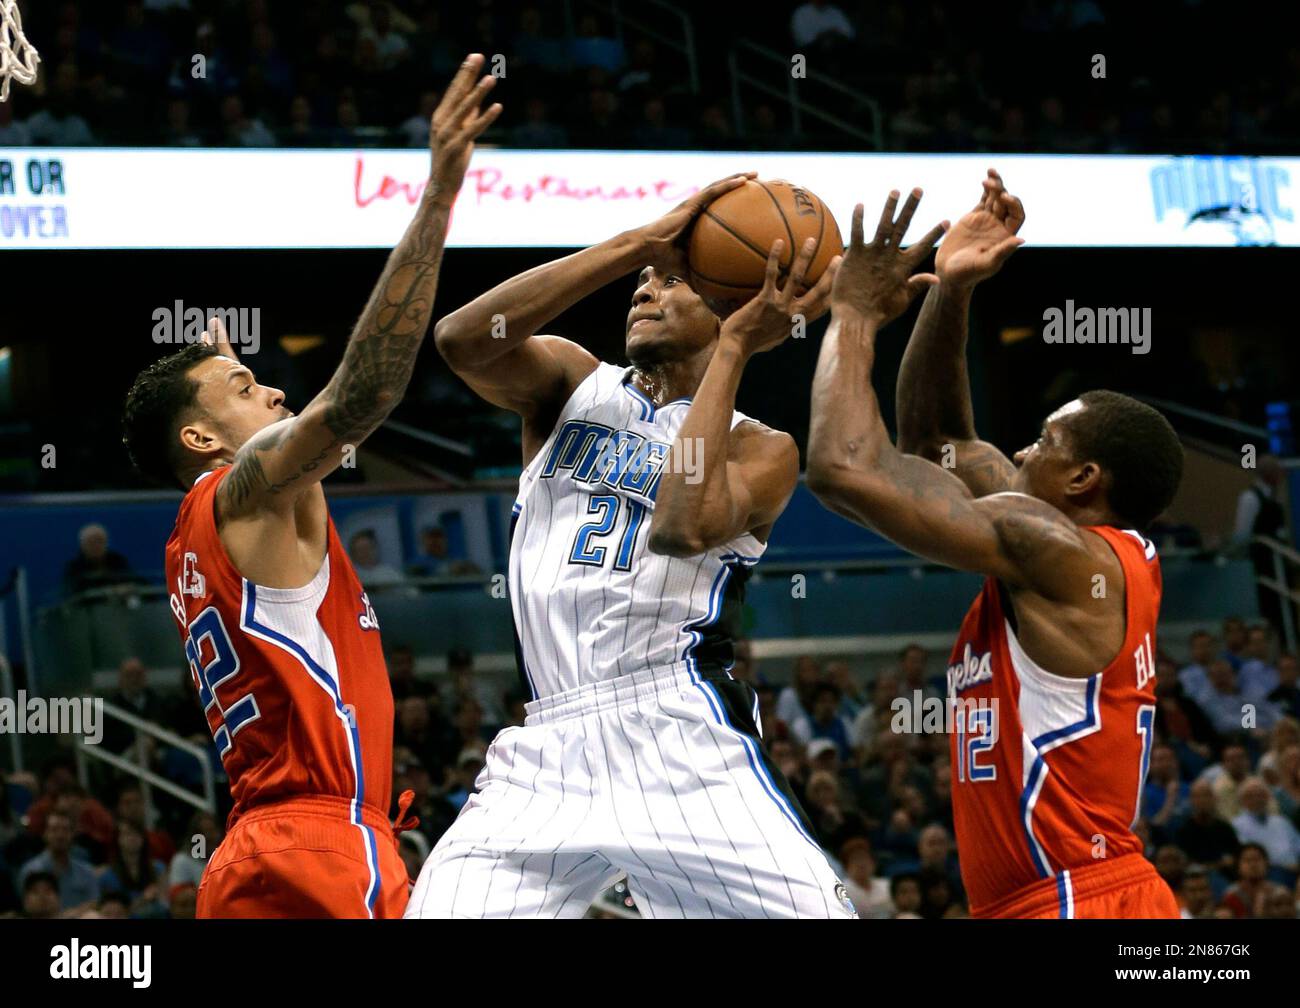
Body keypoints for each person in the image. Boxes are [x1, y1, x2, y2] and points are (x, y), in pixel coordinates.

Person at [406, 169, 854, 919]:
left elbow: (680, 524)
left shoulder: (760, 448)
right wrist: (633, 245)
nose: (644, 289)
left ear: (726, 305)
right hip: (545, 743)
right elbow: (461, 339)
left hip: (677, 733)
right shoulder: (571, 383)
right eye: (640, 280)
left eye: (669, 281)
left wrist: (735, 350)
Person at [118, 55, 501, 919]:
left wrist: (221, 379)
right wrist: (440, 194)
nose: (276, 390)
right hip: (322, 851)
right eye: (250, 387)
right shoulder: (240, 494)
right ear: (200, 438)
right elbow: (362, 396)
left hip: (254, 850)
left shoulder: (197, 535)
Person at [806, 172, 1183, 919]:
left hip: (1078, 897)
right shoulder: (1060, 545)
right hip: (1047, 898)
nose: (1020, 447)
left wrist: (851, 314)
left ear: (1082, 478)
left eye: (1044, 441)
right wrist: (951, 290)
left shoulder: (1055, 549)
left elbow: (840, 468)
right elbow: (938, 443)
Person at [63, 523, 138, 598]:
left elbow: (131, 580)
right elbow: (73, 592)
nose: (96, 545)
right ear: (82, 545)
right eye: (91, 542)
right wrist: (109, 590)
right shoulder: (74, 566)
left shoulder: (118, 560)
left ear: (106, 543)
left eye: (100, 541)